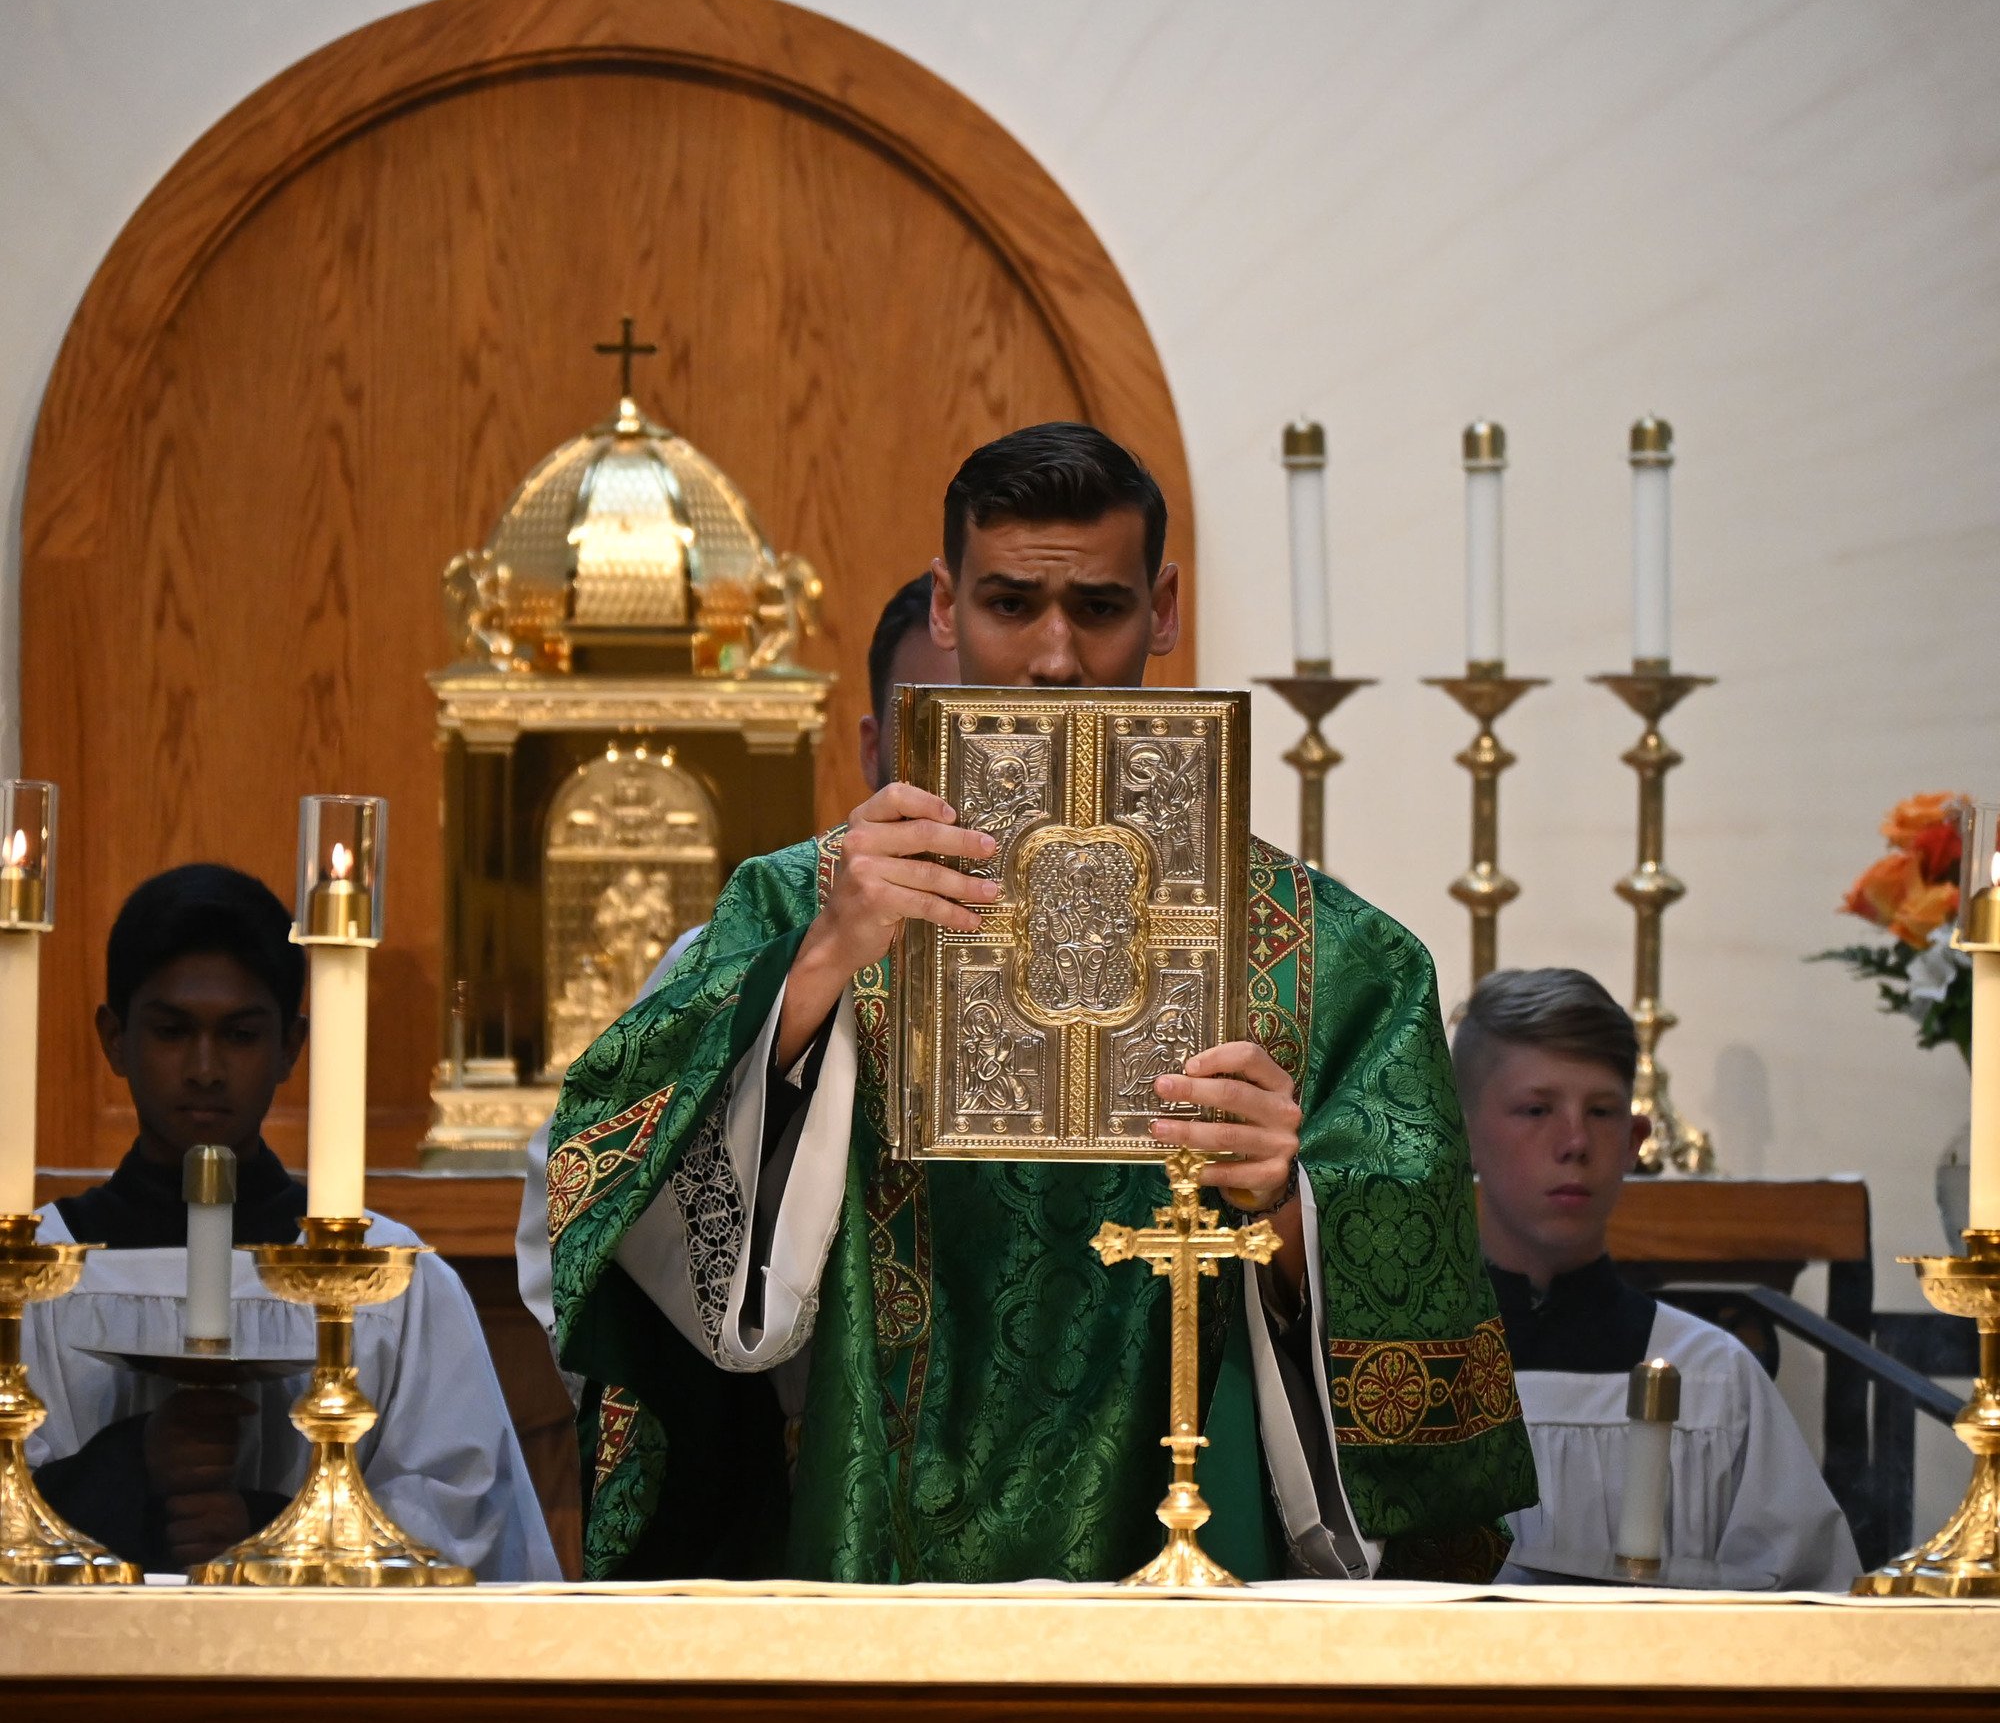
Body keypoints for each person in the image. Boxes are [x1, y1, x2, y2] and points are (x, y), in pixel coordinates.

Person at [549, 423, 1535, 1584]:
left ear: (1161, 608)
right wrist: (814, 975)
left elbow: (1417, 1329)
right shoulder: (794, 904)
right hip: (867, 1572)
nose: (1055, 658)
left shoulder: (1340, 960)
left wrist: (1289, 1211)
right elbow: (604, 1185)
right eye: (1012, 603)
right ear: (945, 601)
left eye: (1101, 607)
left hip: (1201, 1586)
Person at [26, 864, 560, 1581]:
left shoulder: (394, 1278)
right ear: (116, 1039)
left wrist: (267, 1528)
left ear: (290, 1047)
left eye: (241, 1035)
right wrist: (129, 1469)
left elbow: (456, 1509)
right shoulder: (37, 1270)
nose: (206, 1068)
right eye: (172, 1030)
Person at [513, 574, 958, 1351]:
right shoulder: (758, 942)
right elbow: (582, 1198)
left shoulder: (1214, 948)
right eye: (942, 727)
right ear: (872, 749)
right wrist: (803, 988)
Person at [1452, 965, 1860, 1591]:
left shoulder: (1712, 1380)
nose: (1574, 1142)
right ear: (1462, 1136)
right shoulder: (1400, 1368)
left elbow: (1805, 1607)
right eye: (1536, 1109)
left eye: (1603, 1112)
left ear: (1634, 1141)